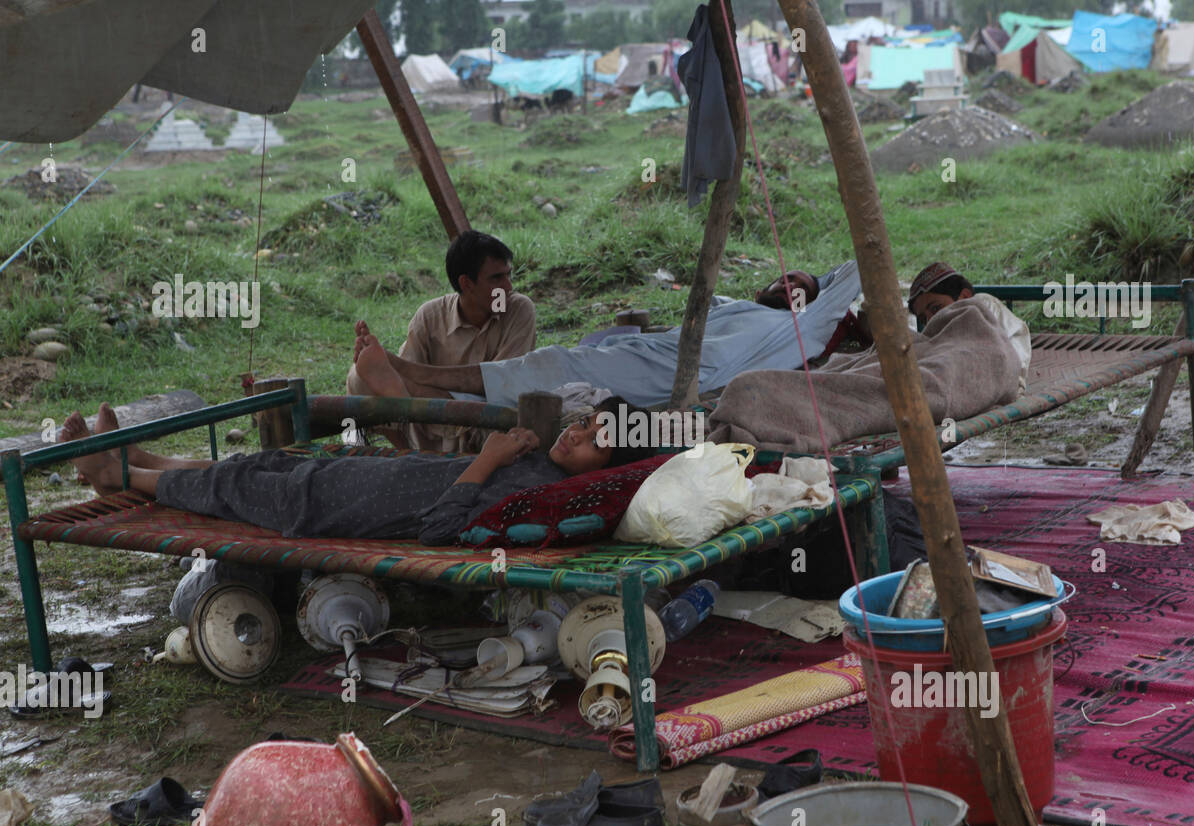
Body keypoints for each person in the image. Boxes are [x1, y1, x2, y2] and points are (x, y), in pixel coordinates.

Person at [62, 391, 653, 548]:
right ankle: (138, 458)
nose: (577, 432)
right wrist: (507, 453)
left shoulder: (541, 498)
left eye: (595, 439)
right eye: (585, 421)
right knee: (254, 464)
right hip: (350, 478)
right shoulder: (540, 470)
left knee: (233, 484)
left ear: (605, 468)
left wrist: (488, 458)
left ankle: (120, 475)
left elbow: (442, 529)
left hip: (336, 510)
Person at [349, 259, 866, 409]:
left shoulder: (803, 327)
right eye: (781, 279)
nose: (786, 285)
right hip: (658, 354)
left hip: (692, 375)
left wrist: (822, 290)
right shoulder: (741, 308)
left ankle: (417, 375)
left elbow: (856, 269)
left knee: (556, 367)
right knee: (561, 382)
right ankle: (418, 392)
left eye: (799, 284)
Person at [346, 229, 536, 453]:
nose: (508, 287)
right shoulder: (430, 315)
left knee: (488, 398)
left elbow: (501, 382)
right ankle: (405, 452)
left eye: (508, 275)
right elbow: (403, 381)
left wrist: (399, 369)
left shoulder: (519, 308)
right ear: (466, 283)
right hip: (429, 426)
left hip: (485, 425)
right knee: (359, 377)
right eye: (496, 278)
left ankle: (394, 373)